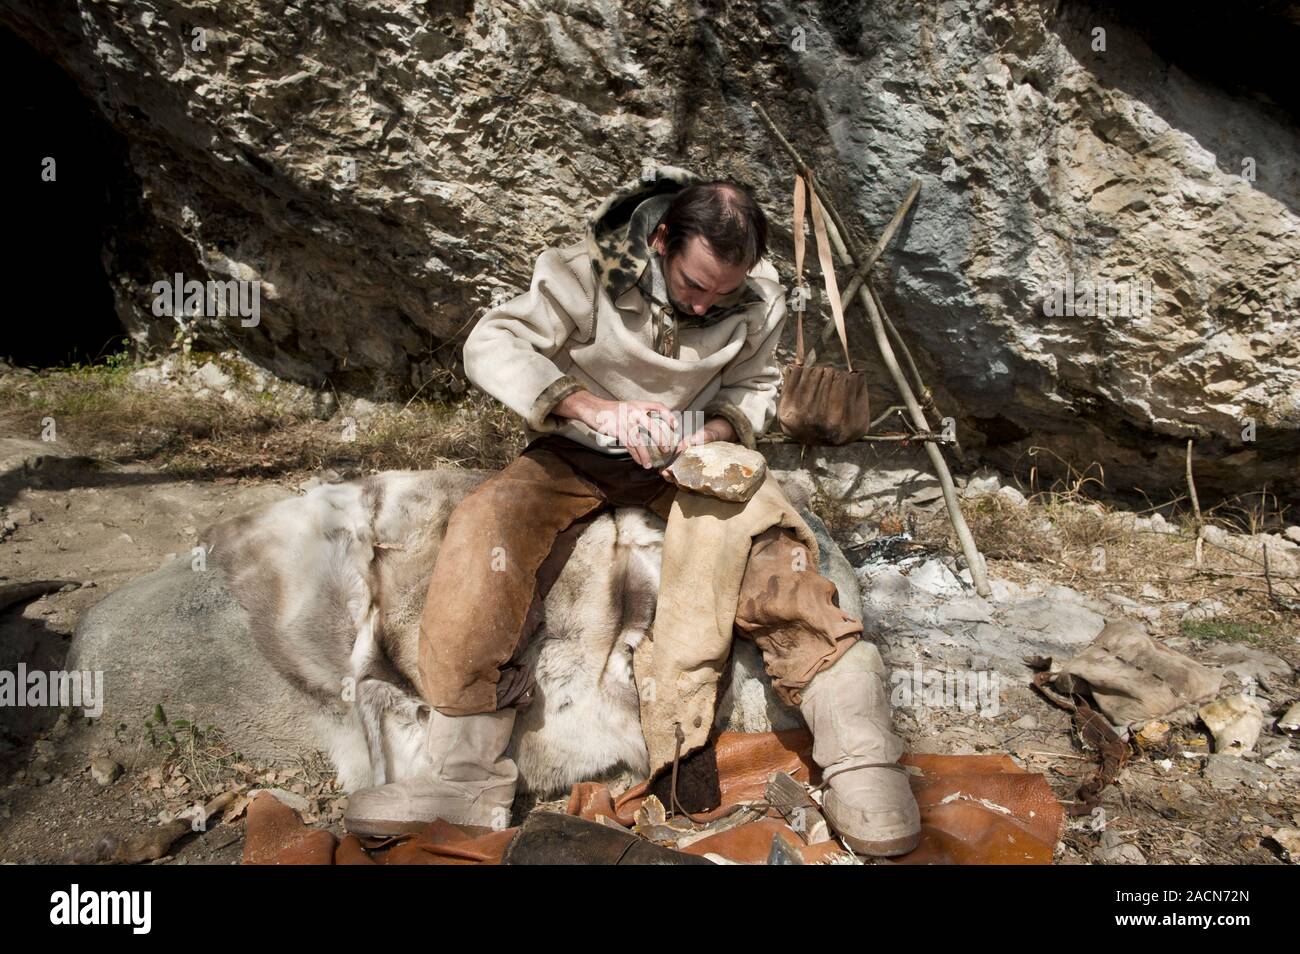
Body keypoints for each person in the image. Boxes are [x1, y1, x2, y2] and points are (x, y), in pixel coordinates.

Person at [342, 165, 921, 856]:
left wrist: (709, 433)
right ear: (662, 242)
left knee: (774, 546)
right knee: (484, 528)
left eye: (725, 293)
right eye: (694, 286)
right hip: (579, 448)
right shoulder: (584, 271)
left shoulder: (756, 296)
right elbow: (491, 343)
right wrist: (595, 409)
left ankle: (862, 758)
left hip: (691, 455)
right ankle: (462, 776)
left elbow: (760, 384)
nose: (706, 307)